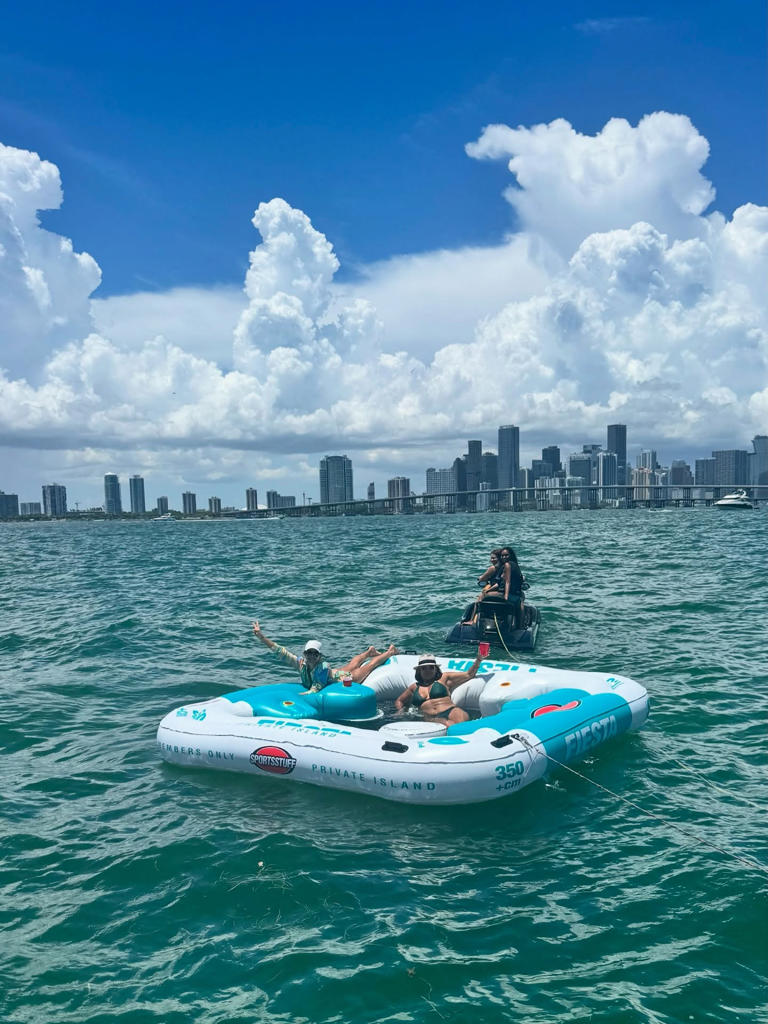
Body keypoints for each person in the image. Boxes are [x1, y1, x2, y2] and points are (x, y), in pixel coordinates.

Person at [252, 621, 397, 693]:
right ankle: (368, 651)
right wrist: (261, 637)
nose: (311, 656)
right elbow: (280, 652)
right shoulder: (301, 663)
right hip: (334, 673)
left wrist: (303, 695)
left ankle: (389, 652)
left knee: (369, 666)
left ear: (319, 656)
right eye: (309, 653)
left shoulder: (323, 666)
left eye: (315, 654)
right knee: (353, 663)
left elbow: (316, 687)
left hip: (343, 677)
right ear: (304, 654)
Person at [394, 653, 482, 724]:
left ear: (436, 669)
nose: (427, 670)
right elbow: (400, 700)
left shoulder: (444, 678)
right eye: (424, 668)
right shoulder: (414, 687)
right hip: (431, 718)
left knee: (460, 726)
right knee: (448, 725)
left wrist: (479, 660)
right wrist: (400, 711)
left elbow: (469, 674)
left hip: (451, 711)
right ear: (419, 671)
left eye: (431, 667)